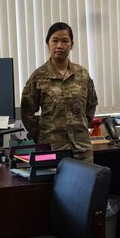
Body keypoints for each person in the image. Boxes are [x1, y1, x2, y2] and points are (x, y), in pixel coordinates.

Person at [20, 22, 99, 161]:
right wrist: (41, 136)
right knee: (53, 183)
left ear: (71, 44)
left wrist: (81, 127)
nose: (59, 46)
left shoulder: (82, 74)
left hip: (81, 149)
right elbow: (27, 112)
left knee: (85, 182)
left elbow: (91, 104)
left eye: (65, 41)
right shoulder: (38, 77)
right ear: (48, 43)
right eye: (55, 41)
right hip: (51, 148)